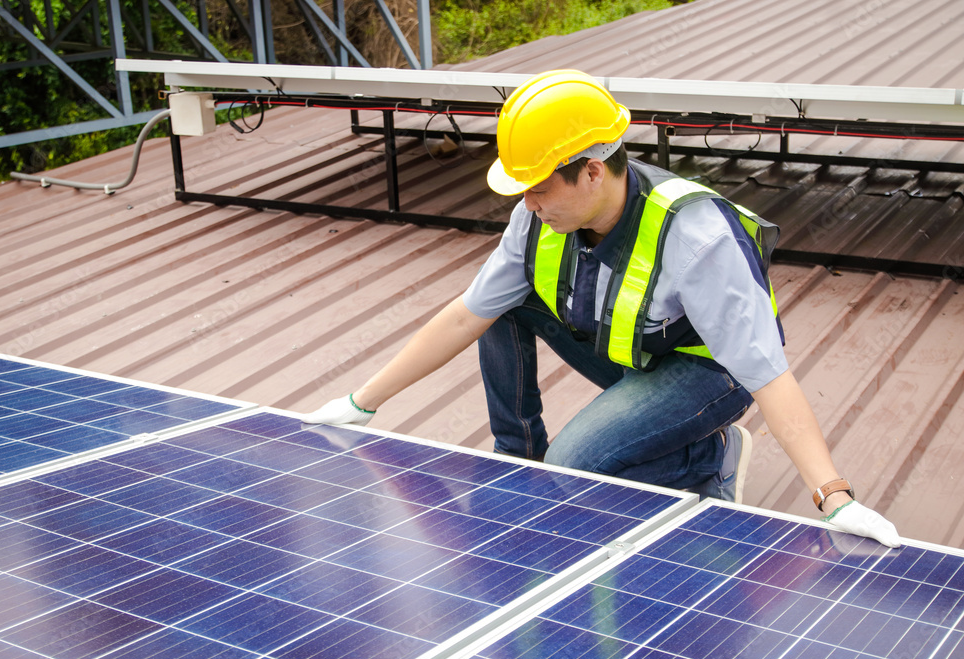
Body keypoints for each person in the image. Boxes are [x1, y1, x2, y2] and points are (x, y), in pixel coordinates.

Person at [304, 69, 901, 548]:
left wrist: (833, 497)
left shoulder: (695, 237)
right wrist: (362, 403)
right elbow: (468, 315)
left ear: (592, 171)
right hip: (631, 347)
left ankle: (709, 456)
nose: (528, 204)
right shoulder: (538, 217)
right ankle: (523, 463)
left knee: (578, 464)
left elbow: (767, 375)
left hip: (710, 373)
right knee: (505, 307)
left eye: (538, 188)